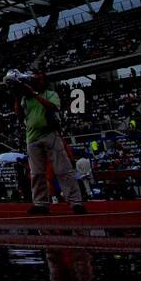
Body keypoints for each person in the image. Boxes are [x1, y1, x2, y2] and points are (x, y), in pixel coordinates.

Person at [10, 70, 85, 215]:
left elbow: (53, 107)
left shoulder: (50, 94)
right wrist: (17, 97)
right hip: (31, 137)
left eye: (39, 79)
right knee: (37, 173)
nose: (37, 81)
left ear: (45, 82)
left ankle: (75, 202)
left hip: (50, 134)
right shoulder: (26, 97)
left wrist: (34, 94)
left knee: (63, 170)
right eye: (35, 79)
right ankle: (40, 204)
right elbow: (19, 116)